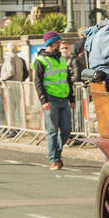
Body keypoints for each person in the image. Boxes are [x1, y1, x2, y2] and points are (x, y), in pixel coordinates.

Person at [33, 31, 74, 170]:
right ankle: (54, 159)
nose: (60, 44)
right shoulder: (41, 60)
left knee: (67, 130)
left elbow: (67, 79)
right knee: (52, 131)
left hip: (64, 99)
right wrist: (43, 100)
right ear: (51, 43)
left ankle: (57, 153)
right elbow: (37, 82)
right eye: (57, 42)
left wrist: (71, 98)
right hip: (50, 100)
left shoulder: (62, 59)